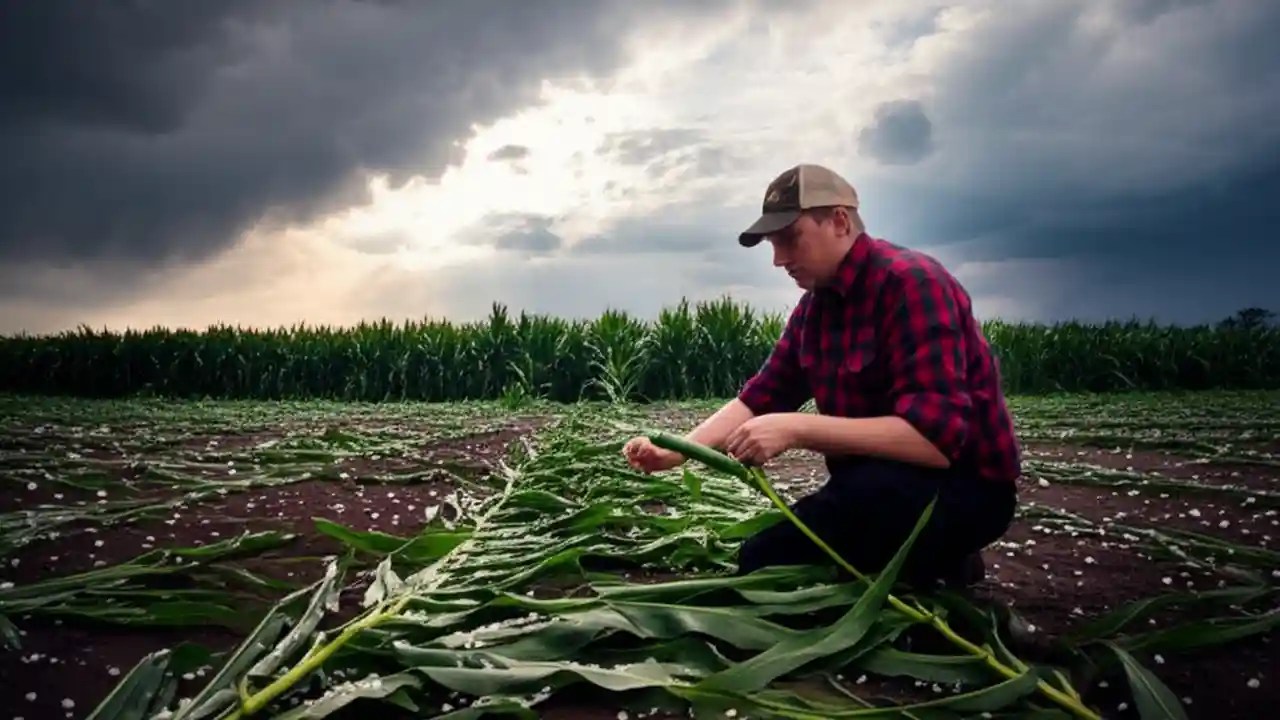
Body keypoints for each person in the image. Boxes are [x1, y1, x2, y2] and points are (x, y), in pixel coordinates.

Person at [623, 163, 1020, 589]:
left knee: (770, 565)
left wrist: (796, 428)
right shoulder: (815, 308)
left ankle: (937, 556)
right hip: (875, 486)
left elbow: (935, 442)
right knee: (773, 560)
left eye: (789, 238)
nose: (778, 259)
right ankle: (931, 563)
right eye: (773, 244)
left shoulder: (912, 283)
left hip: (964, 490)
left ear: (839, 222)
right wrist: (677, 452)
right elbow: (760, 397)